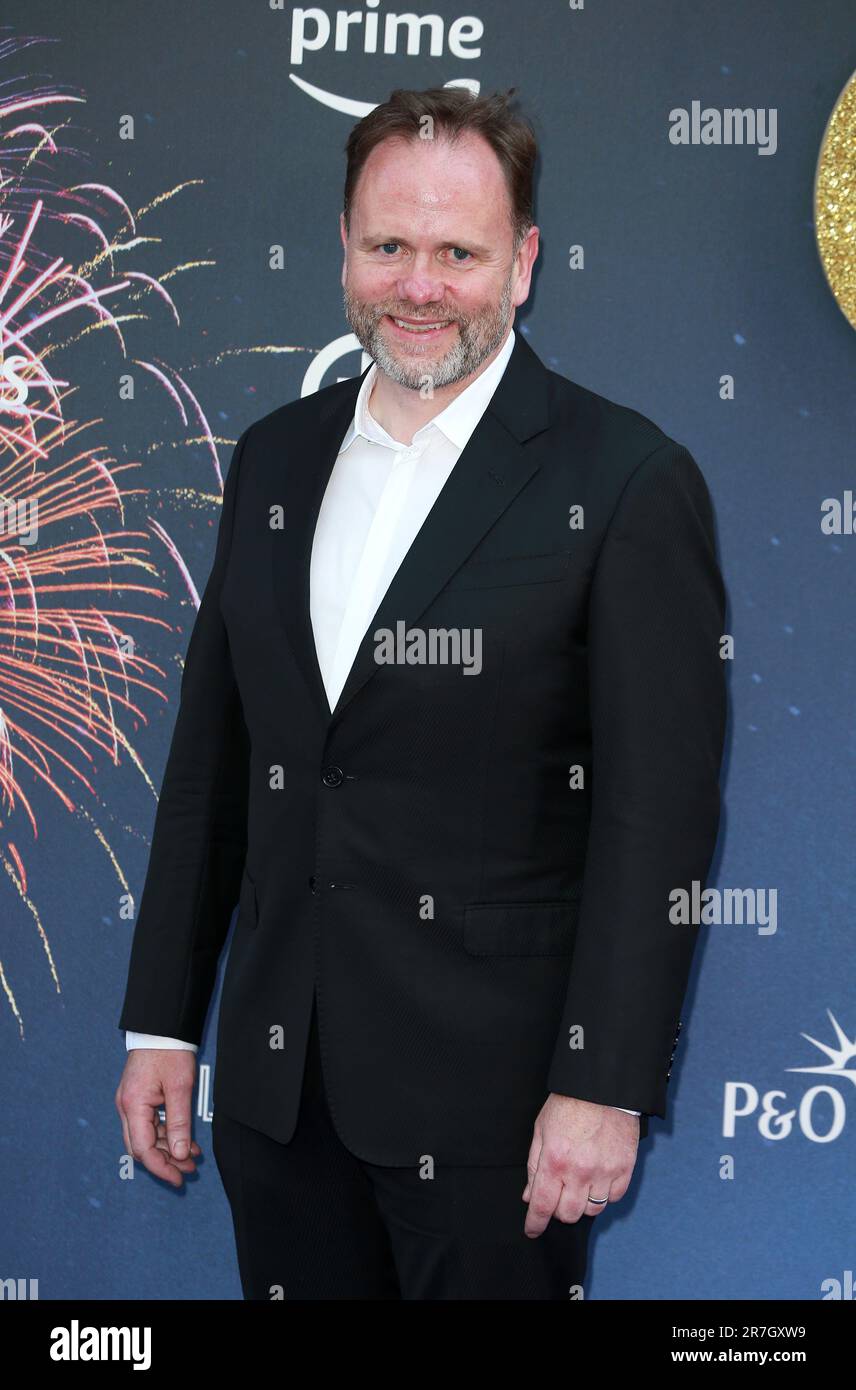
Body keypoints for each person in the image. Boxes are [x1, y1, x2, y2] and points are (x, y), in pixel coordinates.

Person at [116, 86, 727, 1300]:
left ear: (524, 264)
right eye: (390, 245)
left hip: (500, 1120)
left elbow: (655, 819)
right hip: (281, 1109)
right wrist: (164, 1025)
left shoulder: (624, 480)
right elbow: (212, 769)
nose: (419, 283)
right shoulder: (274, 459)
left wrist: (600, 1083)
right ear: (343, 244)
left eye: (459, 252)